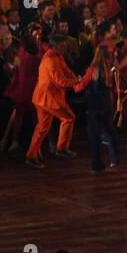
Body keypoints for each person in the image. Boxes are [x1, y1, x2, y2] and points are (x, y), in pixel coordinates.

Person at [25, 35, 80, 169]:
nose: (65, 48)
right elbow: (61, 81)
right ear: (54, 46)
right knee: (69, 118)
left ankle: (31, 155)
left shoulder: (57, 56)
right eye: (62, 46)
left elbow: (67, 71)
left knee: (42, 128)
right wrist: (77, 81)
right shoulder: (50, 60)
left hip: (43, 97)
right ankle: (61, 148)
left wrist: (74, 78)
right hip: (49, 98)